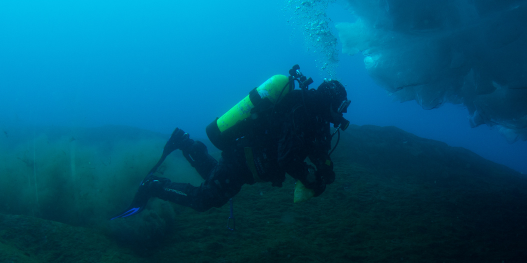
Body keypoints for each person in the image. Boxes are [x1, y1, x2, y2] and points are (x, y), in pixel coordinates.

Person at [111, 65, 350, 218]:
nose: (342, 113)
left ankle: (187, 144)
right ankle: (154, 185)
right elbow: (287, 158)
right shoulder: (301, 113)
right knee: (205, 199)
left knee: (216, 177)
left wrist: (326, 171)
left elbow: (319, 151)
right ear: (328, 101)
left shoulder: (316, 120)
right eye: (340, 107)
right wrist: (308, 177)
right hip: (242, 159)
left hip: (246, 164)